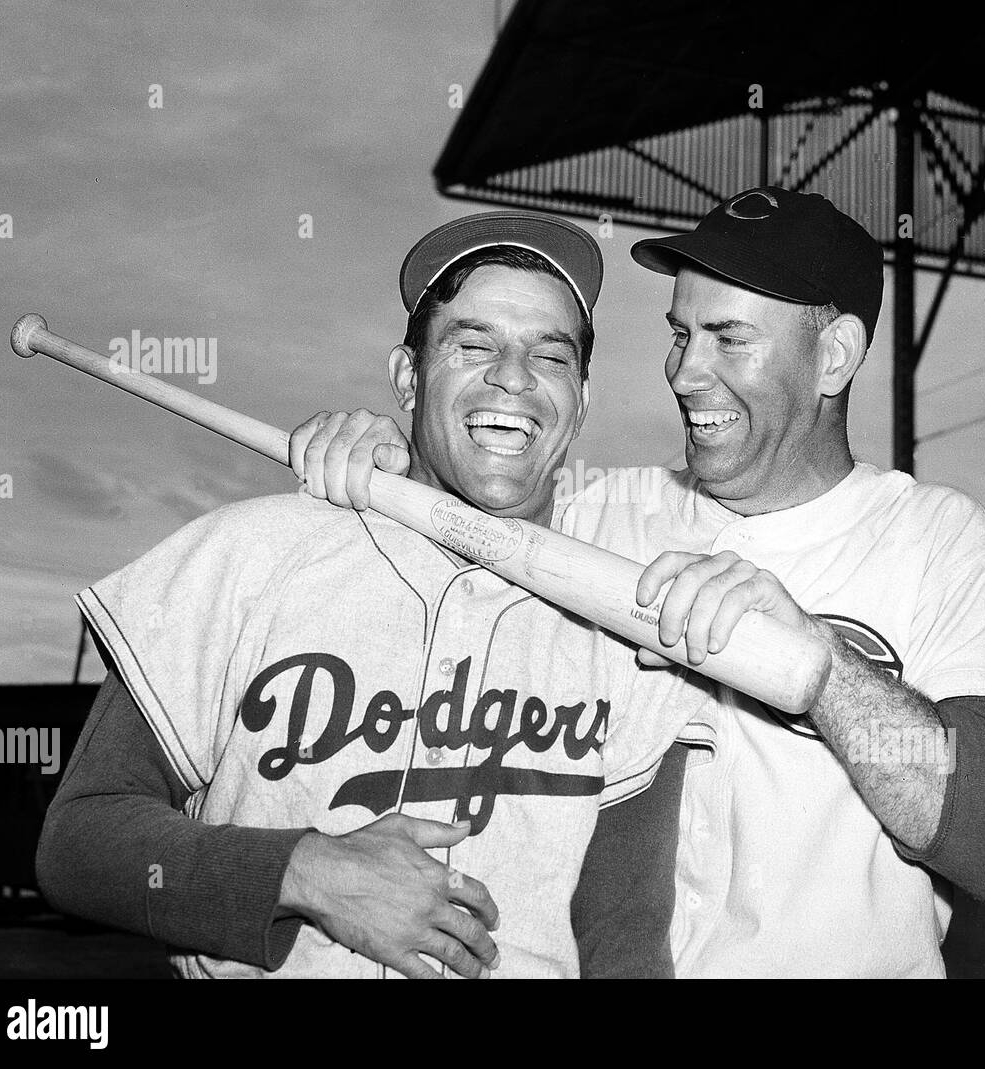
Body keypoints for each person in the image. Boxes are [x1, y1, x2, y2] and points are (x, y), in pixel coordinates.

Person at [293, 187, 985, 977]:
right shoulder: (594, 516)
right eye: (681, 335)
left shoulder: (939, 540)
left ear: (833, 356)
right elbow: (448, 539)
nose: (687, 373)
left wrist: (824, 668)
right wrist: (384, 451)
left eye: (730, 340)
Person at [36, 210, 733, 979]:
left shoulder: (631, 624)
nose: (513, 376)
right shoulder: (251, 553)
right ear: (408, 376)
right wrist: (306, 870)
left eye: (550, 355)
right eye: (473, 345)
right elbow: (78, 843)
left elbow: (625, 939)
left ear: (583, 396)